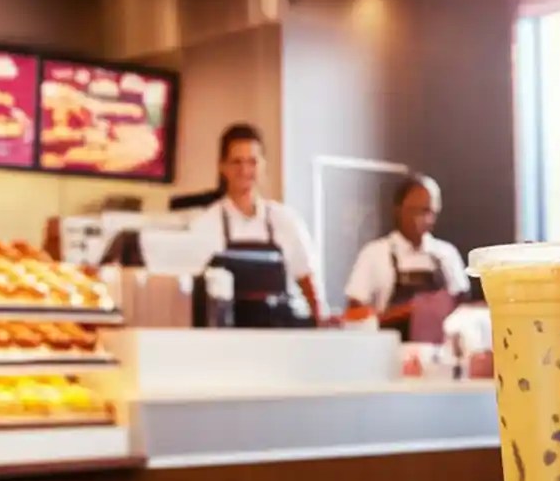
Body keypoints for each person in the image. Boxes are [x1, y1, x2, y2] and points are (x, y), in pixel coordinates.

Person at [189, 123, 324, 327]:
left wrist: (320, 322)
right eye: (236, 162)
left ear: (263, 165)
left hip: (281, 334)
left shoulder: (285, 220)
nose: (245, 170)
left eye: (253, 162)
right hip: (229, 336)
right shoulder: (206, 224)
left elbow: (307, 280)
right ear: (222, 167)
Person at [343, 174, 470, 337]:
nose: (424, 219)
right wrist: (408, 310)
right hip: (390, 351)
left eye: (429, 212)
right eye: (416, 211)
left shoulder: (447, 254)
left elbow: (462, 310)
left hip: (439, 354)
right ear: (398, 210)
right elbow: (354, 315)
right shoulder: (374, 253)